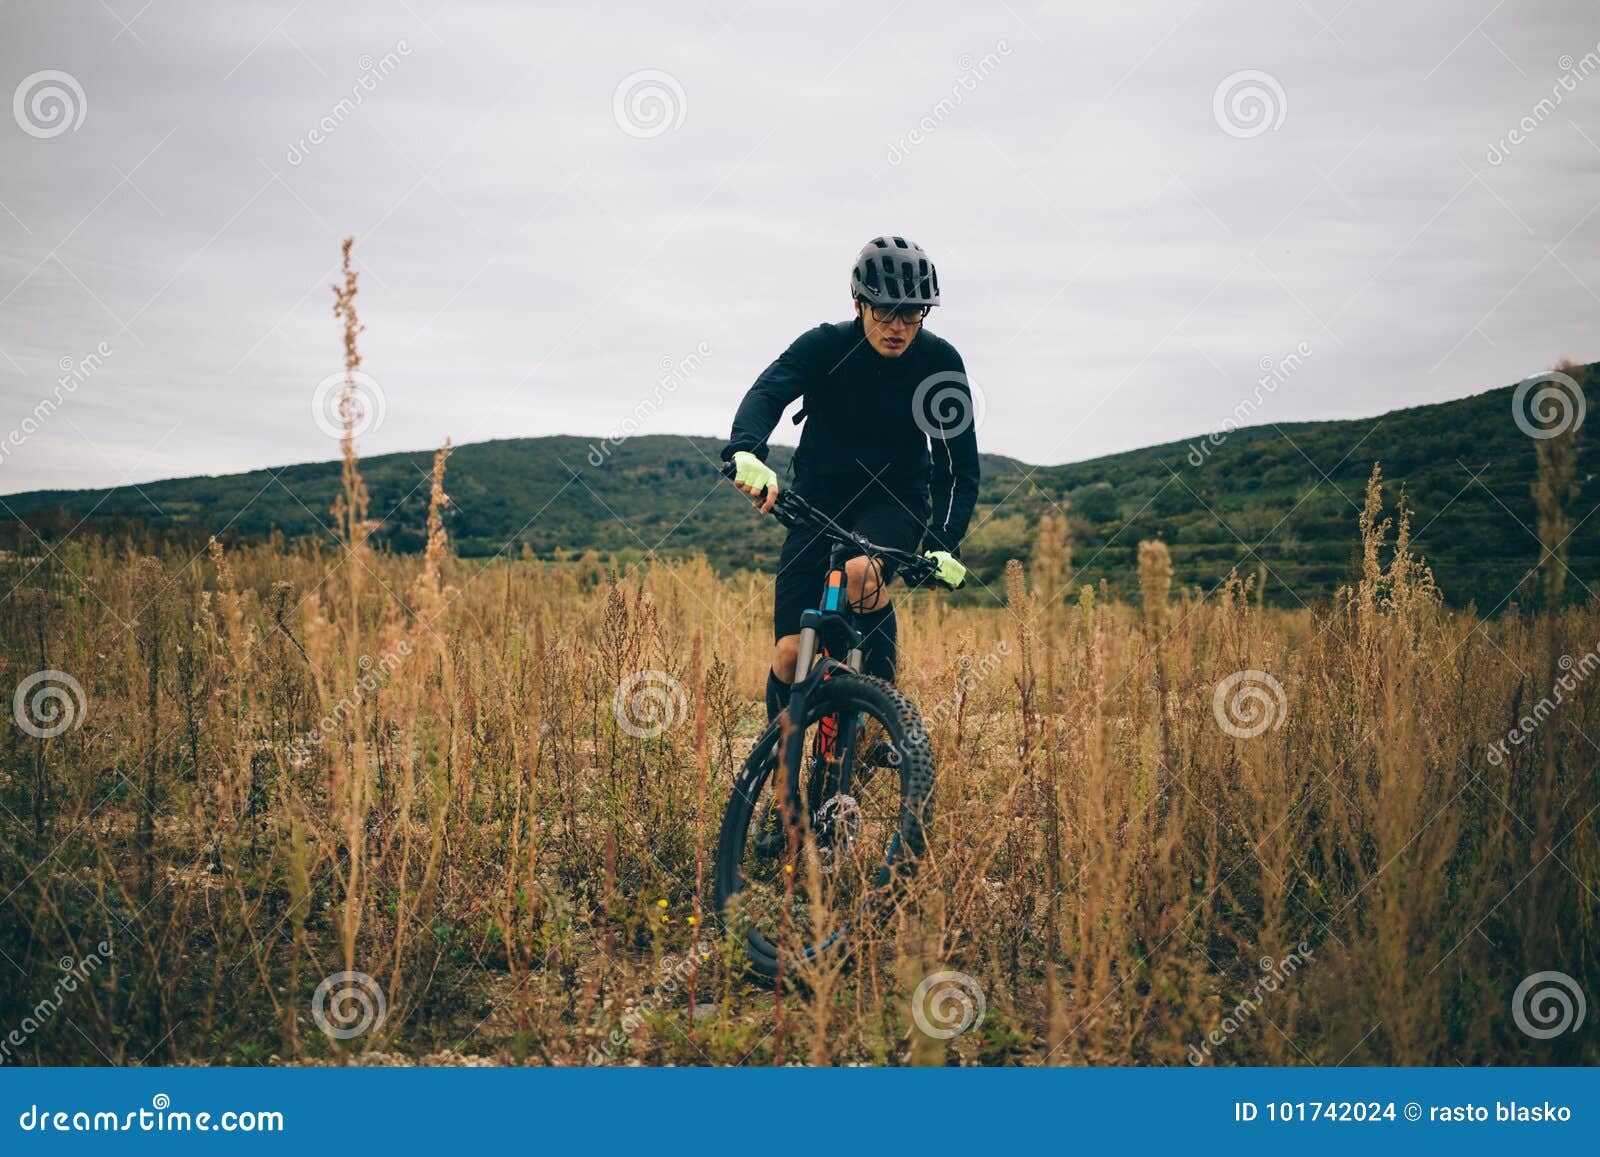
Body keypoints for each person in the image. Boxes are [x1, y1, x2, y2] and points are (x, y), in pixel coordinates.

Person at [720, 235, 981, 721]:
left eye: (912, 313)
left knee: (862, 574)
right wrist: (745, 452)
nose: (898, 327)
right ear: (858, 302)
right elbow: (767, 393)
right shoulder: (824, 346)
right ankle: (781, 762)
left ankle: (881, 712)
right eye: (884, 311)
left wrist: (944, 540)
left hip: (895, 501)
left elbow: (957, 464)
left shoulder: (939, 362)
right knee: (789, 653)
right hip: (818, 500)